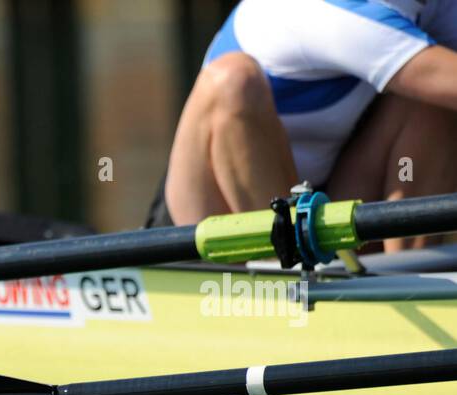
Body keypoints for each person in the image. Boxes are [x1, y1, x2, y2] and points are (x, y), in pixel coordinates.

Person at [150, 0, 457, 249]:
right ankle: (288, 277)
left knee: (429, 104)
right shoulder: (335, 14)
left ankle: (405, 280)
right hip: (211, 219)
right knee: (233, 80)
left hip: (325, 206)